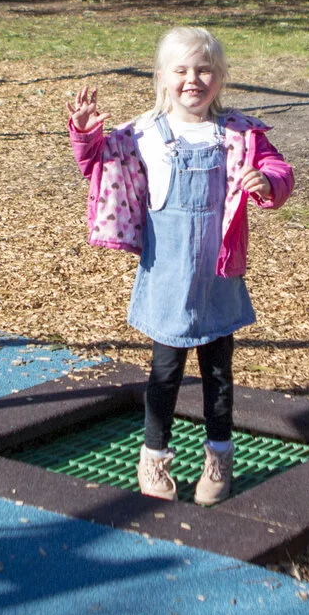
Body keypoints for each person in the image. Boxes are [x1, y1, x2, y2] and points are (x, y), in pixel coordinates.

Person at [67, 27, 293, 507]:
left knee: (218, 373)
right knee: (164, 373)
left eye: (205, 70)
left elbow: (279, 170)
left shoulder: (237, 134)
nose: (194, 80)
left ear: (220, 78)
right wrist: (86, 134)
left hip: (217, 277)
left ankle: (219, 457)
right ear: (163, 77)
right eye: (182, 70)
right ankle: (154, 456)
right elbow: (97, 166)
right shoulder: (143, 133)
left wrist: (267, 182)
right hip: (166, 277)